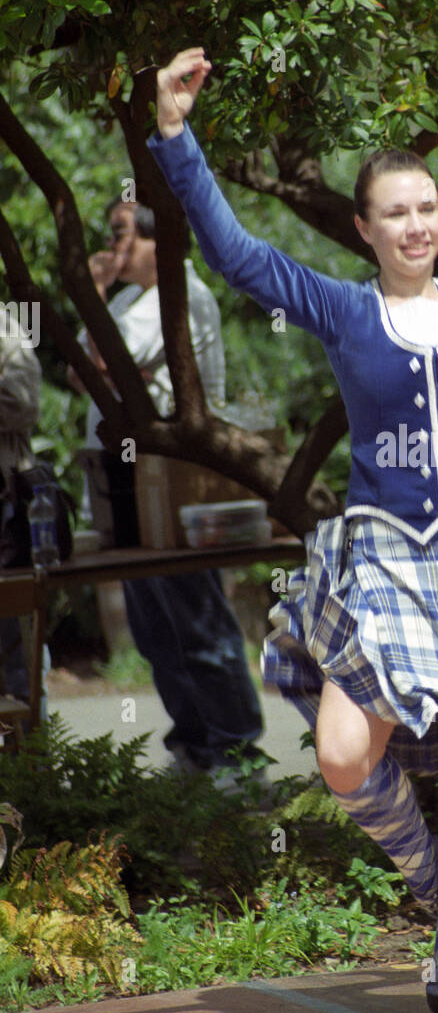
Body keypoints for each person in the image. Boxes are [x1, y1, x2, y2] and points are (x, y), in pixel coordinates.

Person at [148, 0, 438, 1013]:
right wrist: (176, 135)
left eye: (427, 209)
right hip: (387, 558)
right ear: (363, 226)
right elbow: (236, 253)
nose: (415, 224)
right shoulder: (342, 308)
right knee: (345, 754)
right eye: (395, 211)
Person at [69, 199, 265, 773]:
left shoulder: (179, 297)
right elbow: (83, 374)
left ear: (160, 240)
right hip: (127, 482)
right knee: (156, 630)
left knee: (197, 620)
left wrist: (95, 295)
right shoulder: (130, 301)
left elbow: (102, 360)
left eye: (122, 234)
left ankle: (237, 752)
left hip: (172, 484)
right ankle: (197, 745)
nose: (112, 247)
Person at [0, 303, 45, 718]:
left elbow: (24, 403)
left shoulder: (4, 325)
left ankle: (31, 767)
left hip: (5, 507)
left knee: (14, 645)